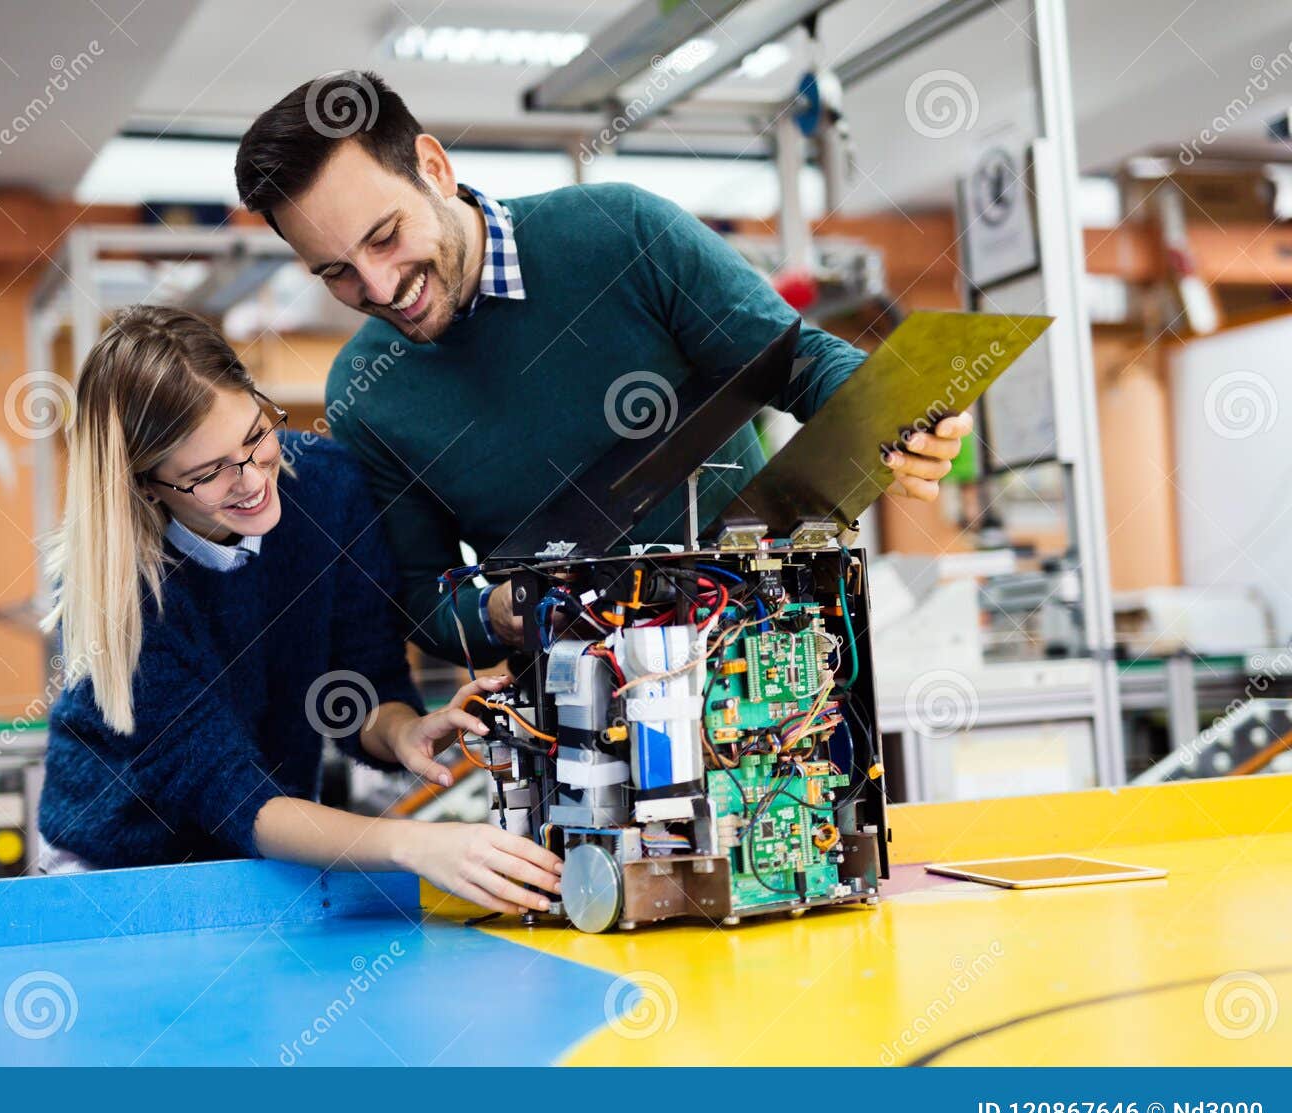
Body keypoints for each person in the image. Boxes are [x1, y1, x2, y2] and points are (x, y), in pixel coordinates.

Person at [234, 71, 973, 667]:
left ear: (433, 167)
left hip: (766, 661)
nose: (379, 286)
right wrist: (503, 613)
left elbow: (800, 363)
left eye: (387, 237)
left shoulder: (618, 232)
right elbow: (427, 601)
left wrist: (894, 412)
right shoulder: (368, 397)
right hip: (580, 719)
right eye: (337, 272)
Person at [36, 305, 562, 915]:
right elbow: (237, 800)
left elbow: (363, 683)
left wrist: (402, 731)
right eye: (209, 474)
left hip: (260, 863)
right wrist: (417, 846)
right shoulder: (122, 591)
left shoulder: (328, 487)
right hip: (116, 878)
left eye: (256, 435)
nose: (252, 479)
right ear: (146, 484)